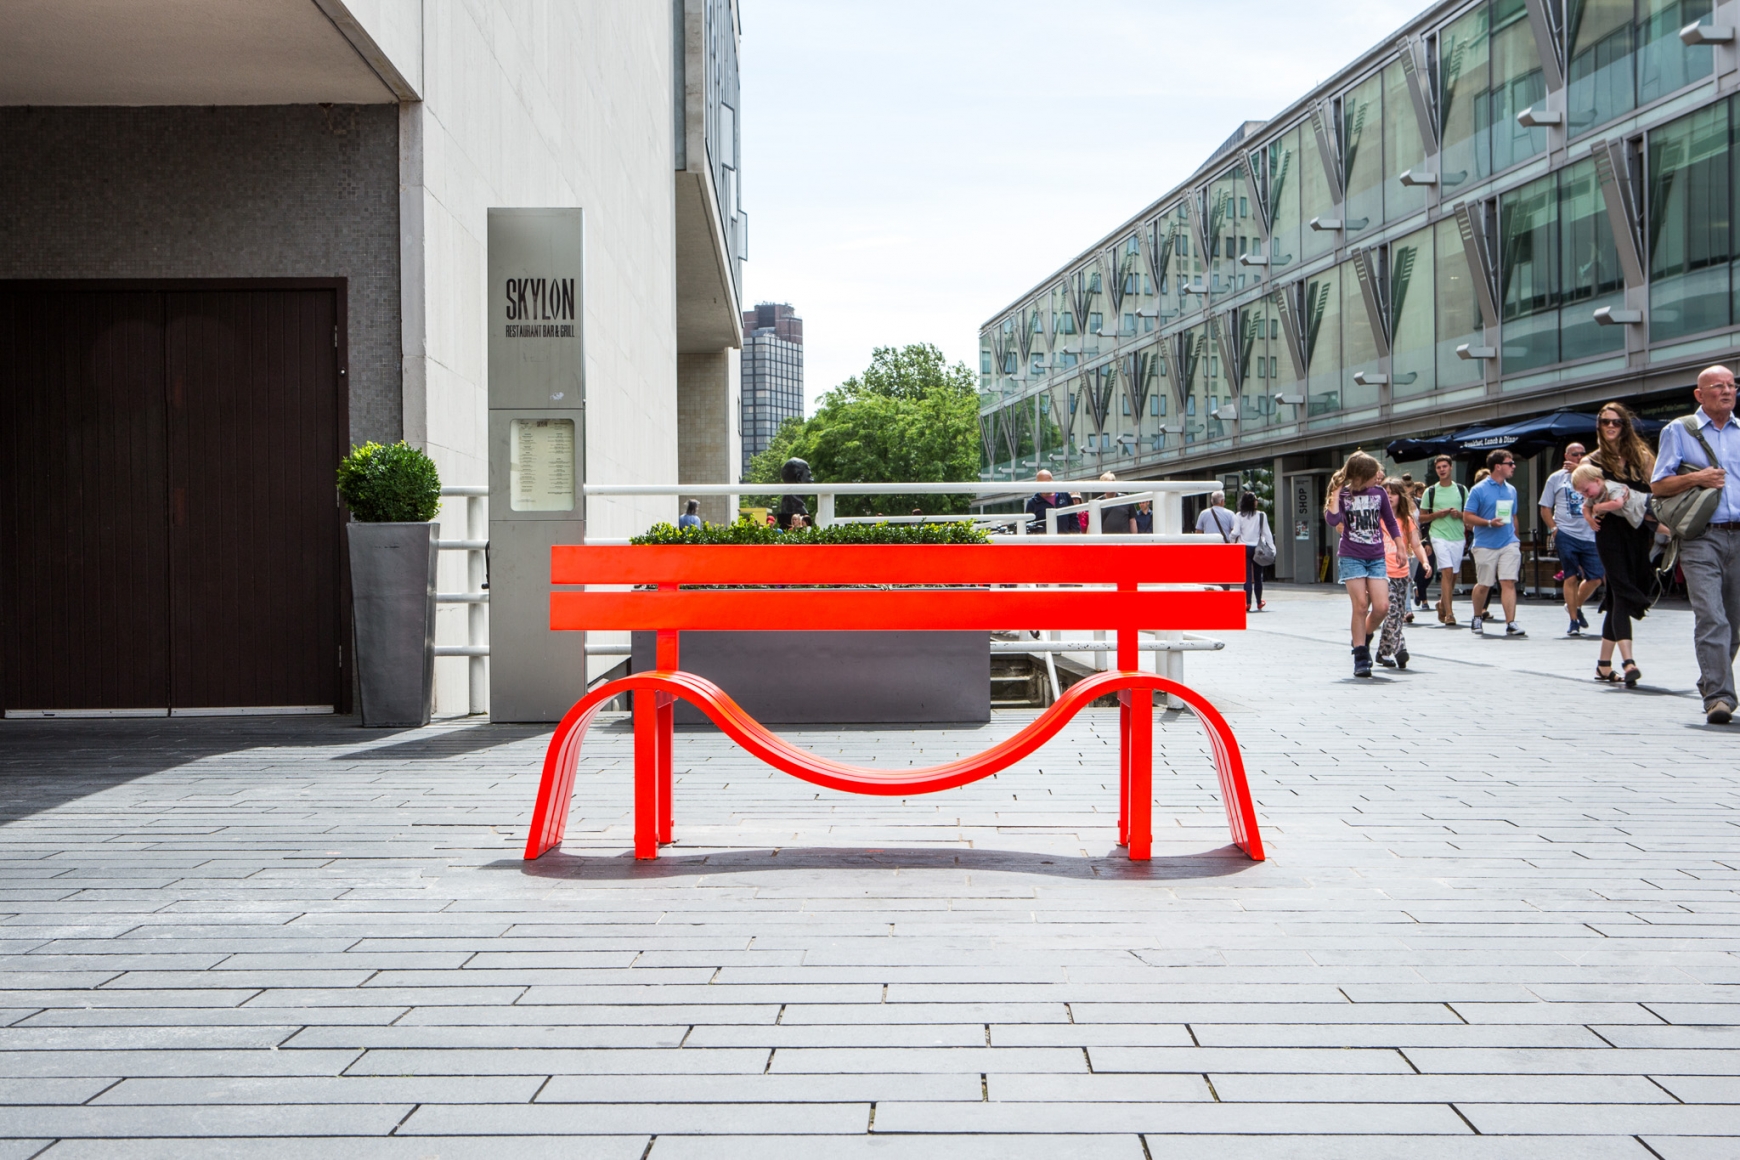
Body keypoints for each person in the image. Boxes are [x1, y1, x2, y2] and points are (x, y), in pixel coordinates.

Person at [1652, 367, 1740, 724]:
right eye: (1718, 386)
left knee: (1735, 622)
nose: (1727, 390)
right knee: (1712, 617)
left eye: (1732, 385)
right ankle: (1719, 697)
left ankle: (1710, 679)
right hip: (1701, 538)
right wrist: (1698, 478)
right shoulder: (1678, 430)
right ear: (1699, 394)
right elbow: (1659, 486)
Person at [1571, 460, 1652, 687]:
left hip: (1633, 535)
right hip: (1610, 538)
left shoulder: (1637, 457)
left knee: (1616, 600)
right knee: (1621, 593)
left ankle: (1604, 665)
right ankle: (1629, 662)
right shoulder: (1596, 462)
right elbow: (1588, 505)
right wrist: (1592, 512)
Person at [1324, 451, 1401, 678]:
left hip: (1376, 556)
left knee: (1381, 607)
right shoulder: (1344, 495)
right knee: (1360, 605)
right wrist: (1336, 493)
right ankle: (1360, 655)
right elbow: (1333, 520)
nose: (1378, 477)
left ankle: (1363, 636)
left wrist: (1400, 547)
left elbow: (1390, 521)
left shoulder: (1378, 493)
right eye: (1372, 474)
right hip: (1351, 555)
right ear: (1360, 475)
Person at [1538, 443, 1602, 636]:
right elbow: (1545, 507)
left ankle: (1574, 605)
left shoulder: (1594, 476)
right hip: (1566, 532)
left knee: (1596, 577)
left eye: (1583, 454)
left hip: (1590, 533)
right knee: (1570, 575)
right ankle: (1573, 620)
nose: (1579, 457)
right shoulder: (1556, 478)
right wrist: (1554, 528)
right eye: (1575, 454)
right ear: (1566, 456)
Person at [1463, 449, 1525, 637]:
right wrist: (1489, 522)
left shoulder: (1511, 489)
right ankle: (1476, 616)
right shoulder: (1479, 489)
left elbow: (1513, 515)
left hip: (1508, 542)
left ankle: (1511, 623)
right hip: (1485, 544)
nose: (1513, 466)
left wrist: (1516, 538)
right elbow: (1467, 516)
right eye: (1510, 463)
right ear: (1498, 466)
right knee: (1484, 584)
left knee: (1508, 582)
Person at [1375, 481, 1432, 668]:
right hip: (1382, 573)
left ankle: (1383, 652)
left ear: (1401, 496)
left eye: (1393, 493)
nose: (1389, 496)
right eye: (1386, 493)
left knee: (1397, 613)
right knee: (1391, 612)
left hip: (1402, 573)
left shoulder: (1407, 520)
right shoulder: (1376, 518)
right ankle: (1400, 648)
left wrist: (1424, 561)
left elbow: (1416, 545)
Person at [1419, 455, 1468, 625]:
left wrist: (1459, 514)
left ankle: (1442, 603)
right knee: (1447, 572)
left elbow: (1469, 516)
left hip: (1458, 536)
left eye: (1444, 466)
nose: (1442, 469)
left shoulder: (1461, 490)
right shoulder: (1430, 491)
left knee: (1453, 575)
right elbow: (1421, 517)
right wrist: (1437, 515)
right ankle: (1449, 613)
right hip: (1438, 535)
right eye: (1439, 467)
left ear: (1451, 467)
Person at [1232, 491, 1273, 612]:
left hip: (1243, 548)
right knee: (1258, 577)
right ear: (1253, 502)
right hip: (1258, 549)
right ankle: (1259, 602)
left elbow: (1235, 533)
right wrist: (1272, 547)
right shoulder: (1261, 515)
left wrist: (1231, 540)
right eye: (1255, 499)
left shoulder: (1239, 515)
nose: (1257, 501)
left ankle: (1247, 602)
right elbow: (1267, 533)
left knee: (1247, 577)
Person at [1025, 469, 1069, 533]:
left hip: (1066, 540)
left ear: (1052, 481)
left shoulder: (1064, 495)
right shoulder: (1033, 503)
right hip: (1044, 541)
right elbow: (1029, 526)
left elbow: (1073, 518)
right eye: (1043, 483)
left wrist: (1075, 536)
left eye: (1048, 482)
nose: (1046, 486)